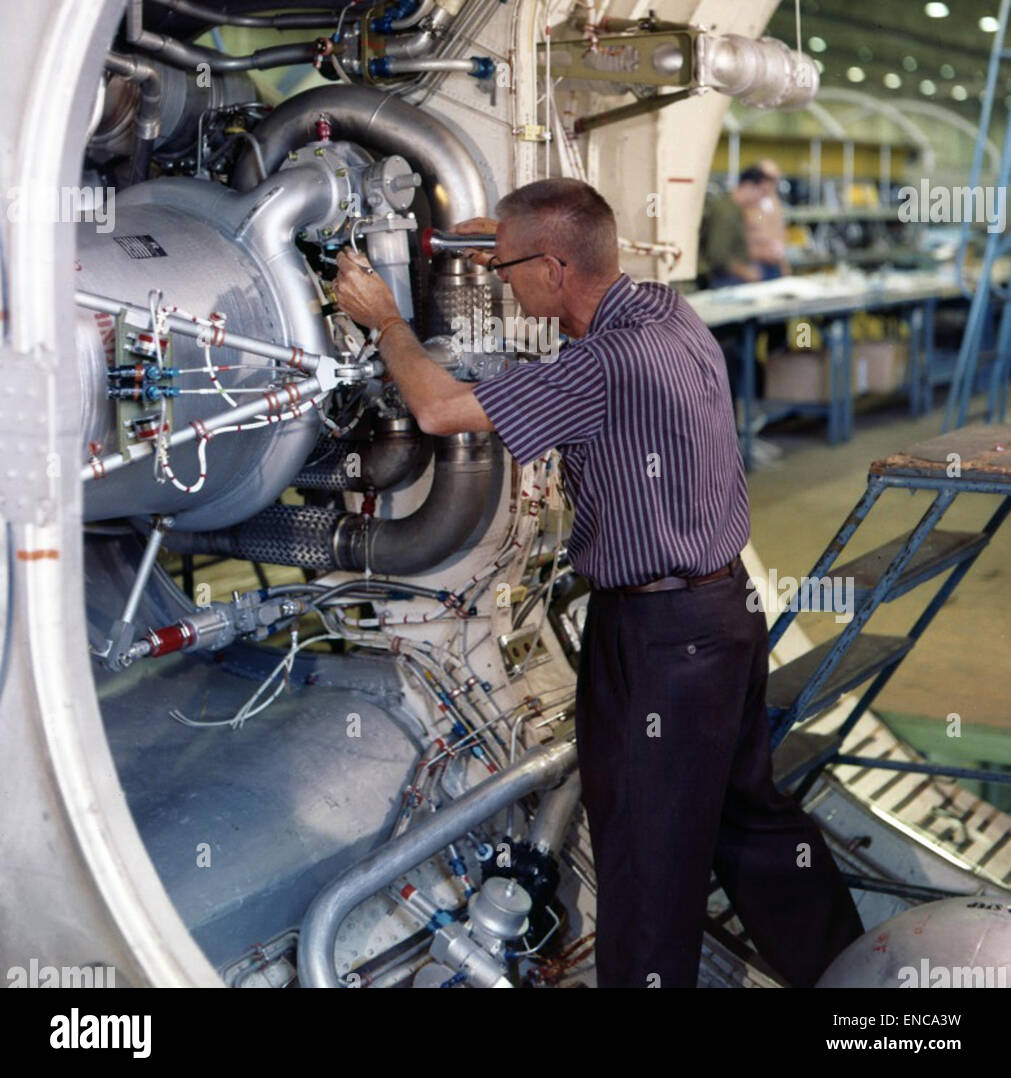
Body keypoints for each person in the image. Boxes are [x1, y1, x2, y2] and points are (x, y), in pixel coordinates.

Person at [332, 176, 863, 988]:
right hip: (723, 617)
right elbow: (558, 251)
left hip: (659, 643)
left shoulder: (602, 368)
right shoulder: (663, 311)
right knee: (749, 822)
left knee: (646, 864)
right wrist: (488, 239)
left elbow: (438, 410)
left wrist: (387, 322)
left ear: (552, 268)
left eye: (508, 267)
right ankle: (860, 986)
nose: (501, 282)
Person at [698, 165, 783, 288]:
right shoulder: (726, 212)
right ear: (748, 186)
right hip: (720, 279)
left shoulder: (736, 209)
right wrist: (745, 271)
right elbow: (717, 256)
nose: (761, 199)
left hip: (731, 274)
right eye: (762, 192)